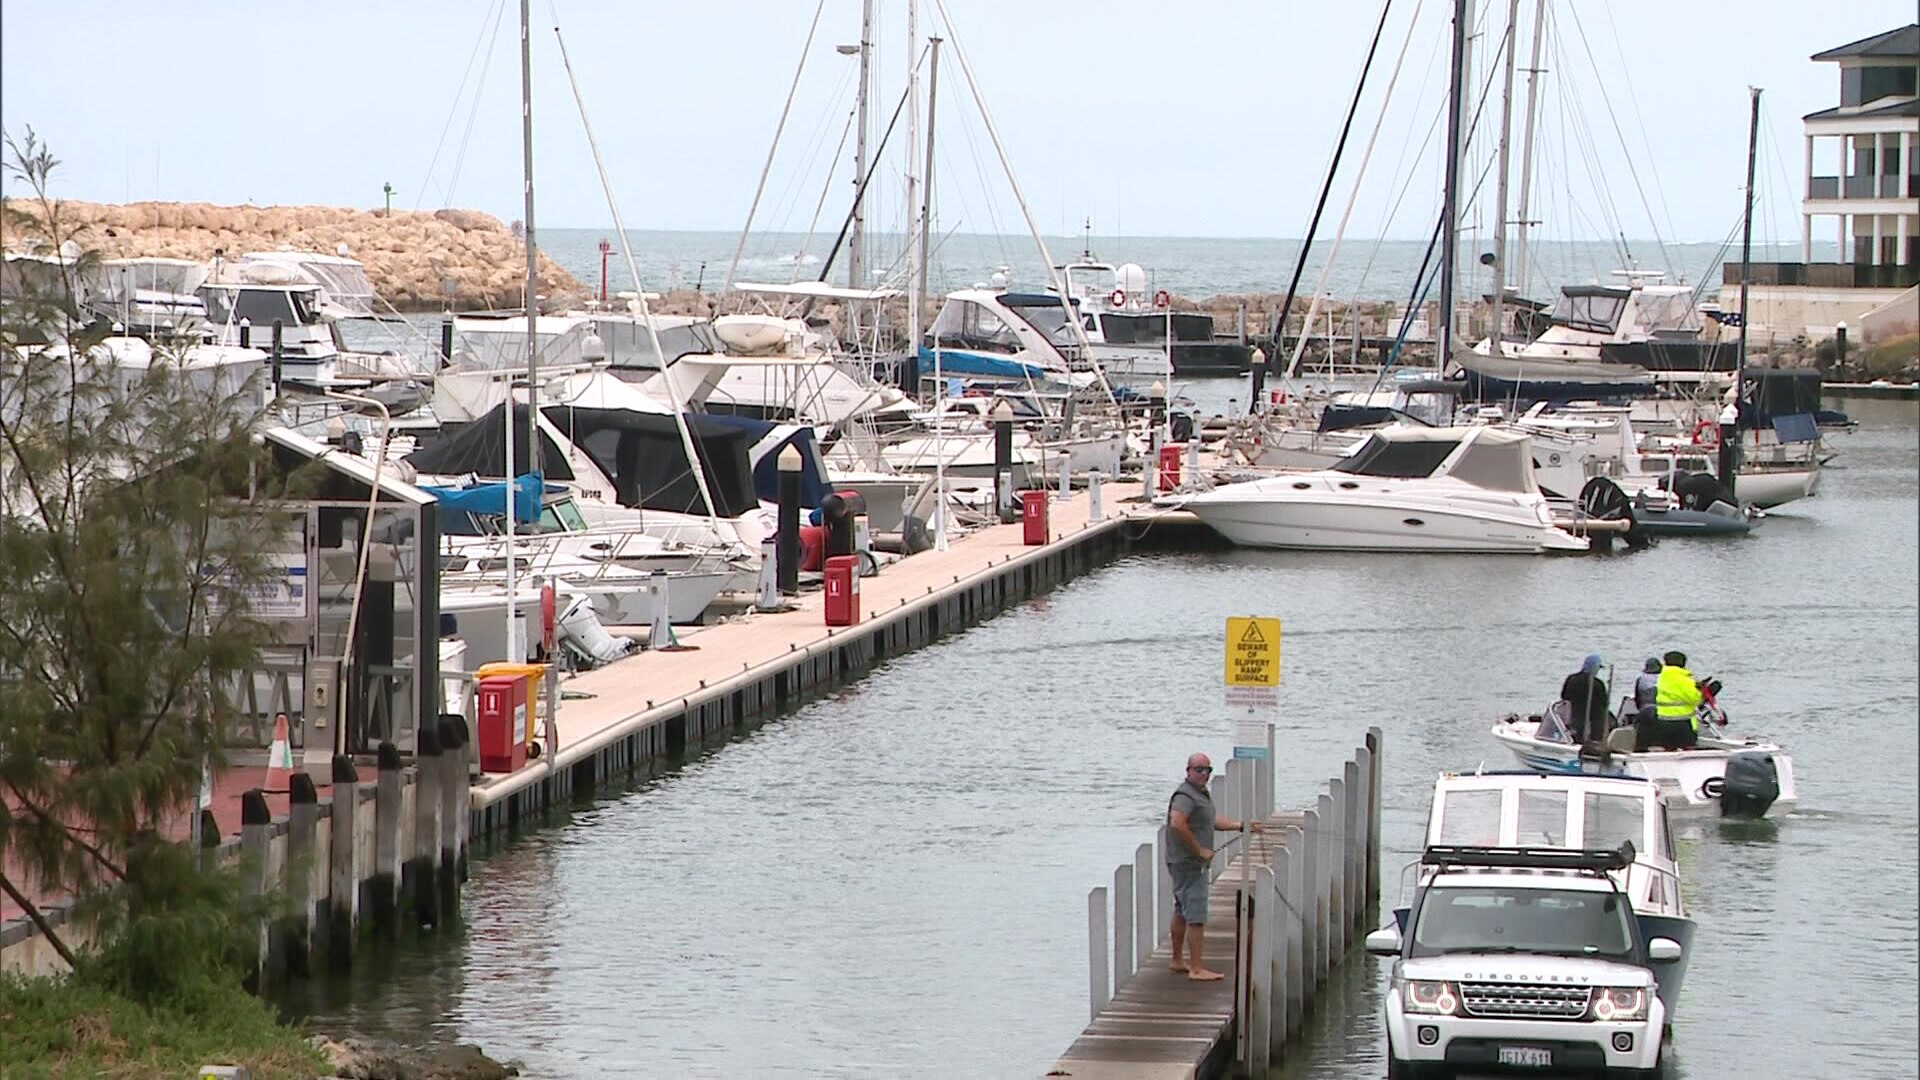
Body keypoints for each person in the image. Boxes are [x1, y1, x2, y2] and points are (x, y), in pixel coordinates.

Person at [1166, 753, 1261, 982]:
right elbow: (1176, 823)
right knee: (1196, 914)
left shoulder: (1200, 794)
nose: (1204, 774)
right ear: (1188, 770)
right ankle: (1196, 969)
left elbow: (1209, 820)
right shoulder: (1186, 795)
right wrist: (1199, 850)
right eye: (1199, 769)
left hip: (1184, 862)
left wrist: (1240, 826)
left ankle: (1177, 960)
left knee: (1181, 909)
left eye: (1208, 769)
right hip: (1189, 863)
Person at [1640, 650, 1704, 751]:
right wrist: (1700, 690)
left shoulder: (1661, 678)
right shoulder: (1686, 680)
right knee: (1688, 750)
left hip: (1662, 723)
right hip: (1683, 724)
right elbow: (1696, 699)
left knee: (1668, 749)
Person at [1558, 653, 1610, 744]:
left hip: (1573, 719)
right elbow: (1604, 703)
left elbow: (1564, 696)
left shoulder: (1571, 679)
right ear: (1594, 667)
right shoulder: (1598, 684)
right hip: (1592, 723)